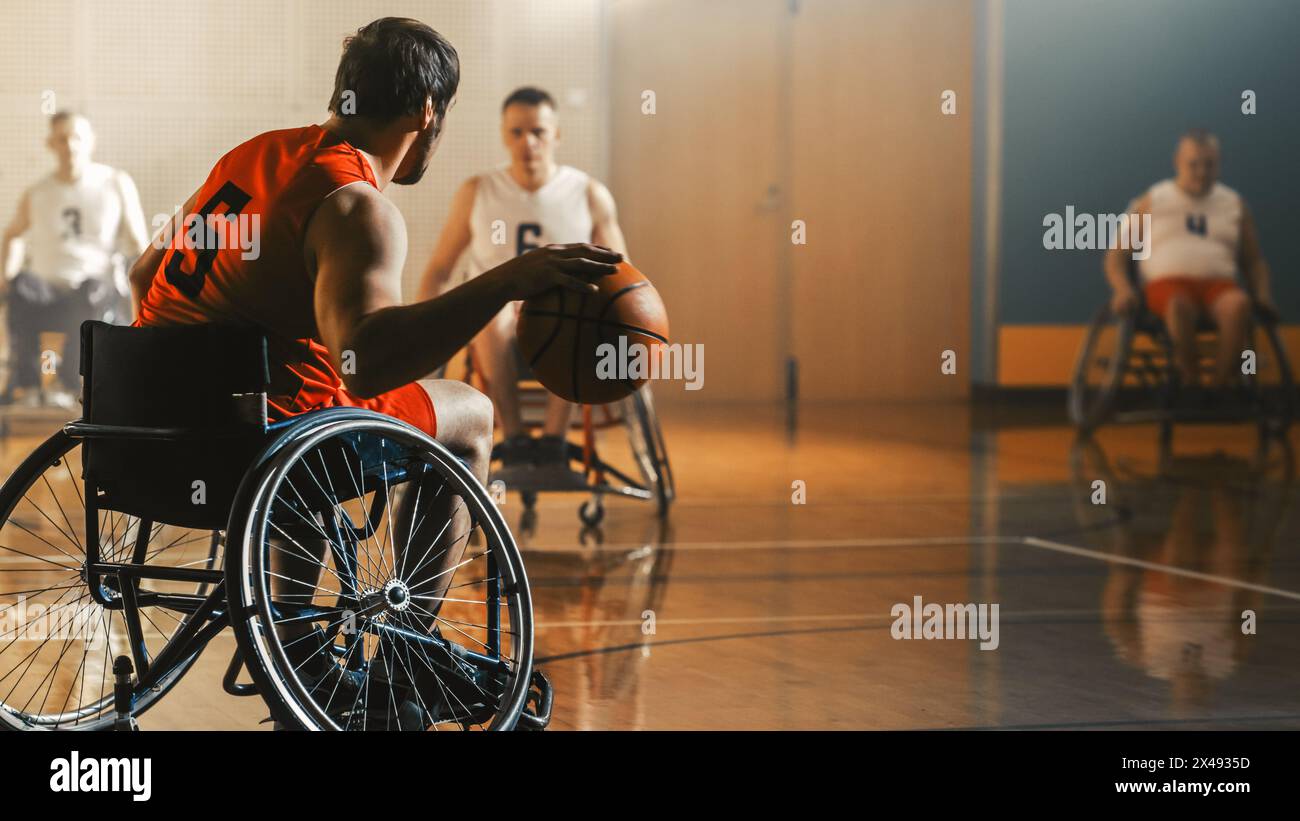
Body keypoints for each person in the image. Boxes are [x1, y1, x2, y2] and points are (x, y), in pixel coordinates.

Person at [129, 17, 620, 704]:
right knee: (470, 413)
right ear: (428, 112)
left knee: (303, 386)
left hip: (143, 436)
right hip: (254, 446)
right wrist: (508, 280)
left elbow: (140, 273)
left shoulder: (250, 156)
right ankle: (404, 652)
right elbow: (366, 361)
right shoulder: (356, 205)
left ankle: (297, 644)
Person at [417, 86, 628, 467]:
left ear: (557, 134)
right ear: (504, 134)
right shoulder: (478, 190)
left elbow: (621, 272)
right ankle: (513, 437)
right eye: (516, 132)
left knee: (575, 318)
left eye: (538, 131)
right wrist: (420, 329)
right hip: (497, 312)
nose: (527, 142)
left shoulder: (588, 192)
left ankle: (552, 440)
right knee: (491, 317)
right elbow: (439, 270)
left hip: (562, 311)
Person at [1105, 129, 1276, 395]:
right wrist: (1122, 289)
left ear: (1218, 164)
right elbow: (1117, 255)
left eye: (1209, 164)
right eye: (1193, 164)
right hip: (1167, 287)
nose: (1201, 172)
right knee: (1178, 305)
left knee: (1238, 304)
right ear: (1178, 162)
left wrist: (1263, 295)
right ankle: (1190, 381)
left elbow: (1254, 262)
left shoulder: (1234, 204)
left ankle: (1219, 388)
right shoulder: (1152, 200)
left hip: (1219, 287)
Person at [0, 111, 147, 407]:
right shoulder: (38, 192)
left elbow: (138, 242)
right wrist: (5, 277)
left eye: (77, 137)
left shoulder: (114, 183)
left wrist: (139, 286)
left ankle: (73, 383)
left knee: (91, 293)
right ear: (51, 144)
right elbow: (12, 235)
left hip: (93, 289)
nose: (70, 146)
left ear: (90, 141)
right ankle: (30, 386)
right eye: (62, 139)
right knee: (21, 287)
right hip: (47, 291)